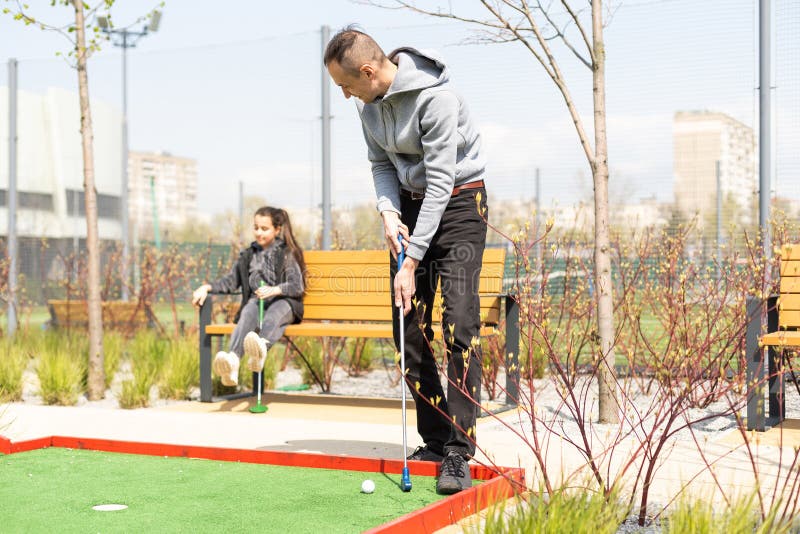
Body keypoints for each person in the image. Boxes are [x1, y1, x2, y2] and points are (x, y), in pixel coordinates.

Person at [324, 27, 488, 495]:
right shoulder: (368, 107)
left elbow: (440, 183)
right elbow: (381, 165)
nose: (344, 93)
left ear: (369, 71)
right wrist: (389, 212)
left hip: (458, 204)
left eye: (346, 84)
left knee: (458, 322)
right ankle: (435, 440)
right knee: (406, 324)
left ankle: (459, 450)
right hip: (410, 206)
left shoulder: (438, 100)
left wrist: (411, 260)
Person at [192, 207, 306, 387]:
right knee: (248, 310)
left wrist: (275, 289)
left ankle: (259, 350)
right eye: (256, 227)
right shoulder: (248, 255)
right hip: (258, 302)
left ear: (277, 230)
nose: (259, 232)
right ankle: (233, 361)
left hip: (285, 303)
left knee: (274, 313)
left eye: (264, 228)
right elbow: (231, 281)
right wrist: (207, 287)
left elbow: (297, 285)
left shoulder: (286, 253)